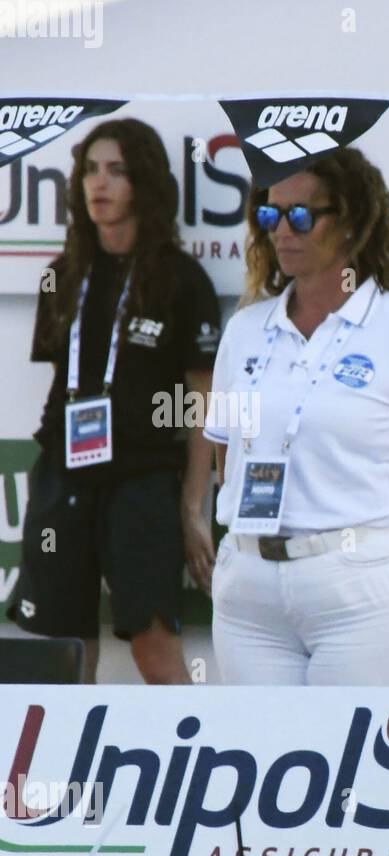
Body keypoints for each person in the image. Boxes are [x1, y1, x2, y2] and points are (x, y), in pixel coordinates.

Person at [204, 147, 389, 685]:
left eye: (301, 215)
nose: (282, 230)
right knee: (258, 763)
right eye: (269, 213)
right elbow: (226, 462)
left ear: (352, 222)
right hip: (249, 595)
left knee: (358, 767)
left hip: (362, 592)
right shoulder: (245, 329)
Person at [7, 118, 221, 683]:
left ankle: (185, 767)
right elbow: (64, 379)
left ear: (144, 183)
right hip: (64, 478)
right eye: (90, 170)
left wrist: (194, 505)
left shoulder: (181, 279)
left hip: (143, 482)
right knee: (62, 651)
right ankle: (64, 773)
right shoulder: (62, 275)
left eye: (117, 171)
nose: (99, 184)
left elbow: (203, 404)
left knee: (154, 646)